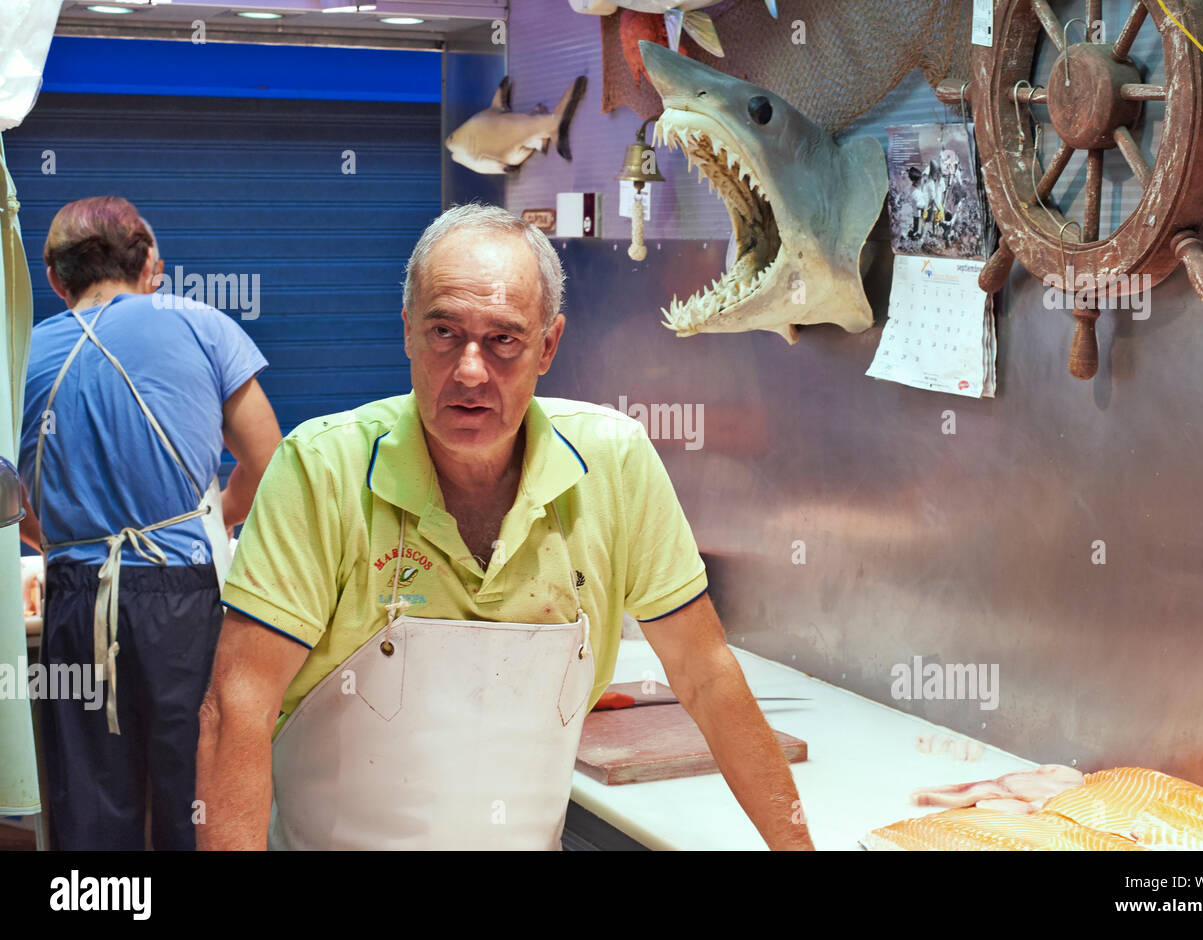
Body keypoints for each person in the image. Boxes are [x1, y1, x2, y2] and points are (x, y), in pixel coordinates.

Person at [196, 202, 814, 850]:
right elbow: (236, 713)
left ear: (548, 345)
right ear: (407, 331)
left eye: (503, 340)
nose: (469, 370)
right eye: (444, 333)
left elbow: (707, 676)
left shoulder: (615, 464)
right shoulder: (322, 470)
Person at [18, 195, 282, 850]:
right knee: (192, 786)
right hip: (182, 599)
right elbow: (269, 460)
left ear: (53, 279)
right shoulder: (203, 324)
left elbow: (14, 498)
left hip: (77, 601)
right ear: (151, 266)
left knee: (86, 798)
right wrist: (217, 513)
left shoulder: (22, 355)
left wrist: (59, 541)